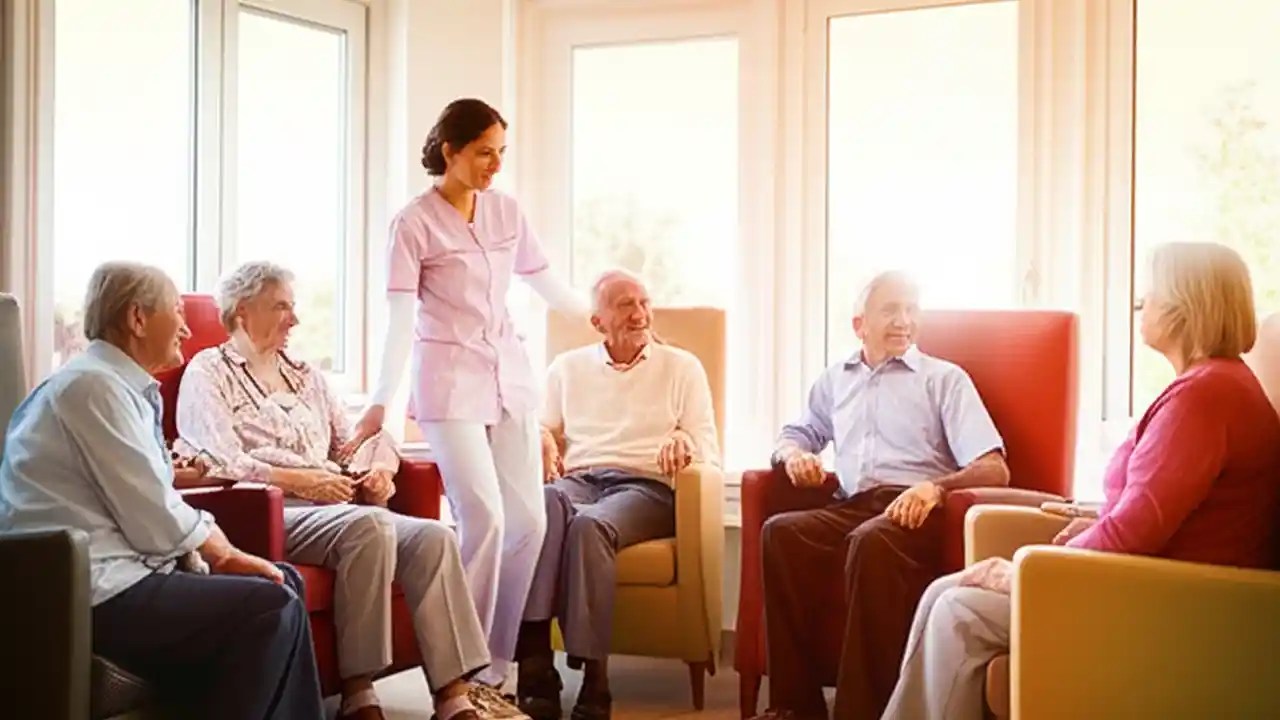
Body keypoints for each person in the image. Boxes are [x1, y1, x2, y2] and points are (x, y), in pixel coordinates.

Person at [882, 242, 1280, 720]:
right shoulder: (1212, 387)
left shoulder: (1205, 399)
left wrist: (1029, 571)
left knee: (957, 611)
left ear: (1183, 307)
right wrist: (1094, 516)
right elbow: (1165, 507)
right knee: (943, 593)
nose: (1141, 304)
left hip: (1178, 607)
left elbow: (1136, 531)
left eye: (1150, 293)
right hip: (1160, 586)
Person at [174, 261, 510, 720]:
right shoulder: (208, 371)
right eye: (282, 307)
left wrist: (376, 471)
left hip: (334, 505)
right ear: (243, 310)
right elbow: (219, 459)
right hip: (266, 508)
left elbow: (350, 443)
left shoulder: (306, 375)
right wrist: (302, 480)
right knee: (369, 527)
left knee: (435, 537)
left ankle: (453, 697)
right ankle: (359, 693)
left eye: (293, 307)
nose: (294, 319)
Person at [0, 262, 324, 719]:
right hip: (89, 591)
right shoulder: (93, 388)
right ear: (137, 319)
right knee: (269, 606)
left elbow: (154, 501)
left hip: (123, 575)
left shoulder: (115, 387)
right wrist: (224, 555)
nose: (188, 326)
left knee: (283, 582)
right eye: (176, 310)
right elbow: (154, 517)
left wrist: (221, 553)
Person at [345, 98, 590, 694]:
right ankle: (462, 671)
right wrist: (380, 400)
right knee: (483, 517)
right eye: (483, 152)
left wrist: (597, 315)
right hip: (449, 381)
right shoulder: (413, 223)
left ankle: (496, 670)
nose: (494, 165)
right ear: (449, 151)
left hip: (507, 374)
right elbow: (400, 319)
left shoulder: (506, 212)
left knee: (529, 521)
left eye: (501, 153)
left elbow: (544, 280)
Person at [752, 271, 1011, 720]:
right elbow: (796, 432)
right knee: (781, 534)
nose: (904, 320)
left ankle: (859, 712)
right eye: (890, 310)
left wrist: (935, 488)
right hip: (851, 504)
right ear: (860, 325)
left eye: (911, 309)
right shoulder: (836, 380)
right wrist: (793, 454)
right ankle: (793, 708)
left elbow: (994, 466)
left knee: (870, 542)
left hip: (916, 511)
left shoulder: (943, 379)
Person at [514, 270, 720, 720]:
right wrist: (542, 436)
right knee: (542, 505)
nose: (640, 313)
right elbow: (543, 426)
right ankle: (535, 667)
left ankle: (595, 678)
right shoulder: (567, 368)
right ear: (597, 321)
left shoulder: (681, 367)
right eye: (625, 304)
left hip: (646, 487)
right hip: (582, 479)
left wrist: (684, 441)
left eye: (644, 302)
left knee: (591, 527)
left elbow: (708, 446)